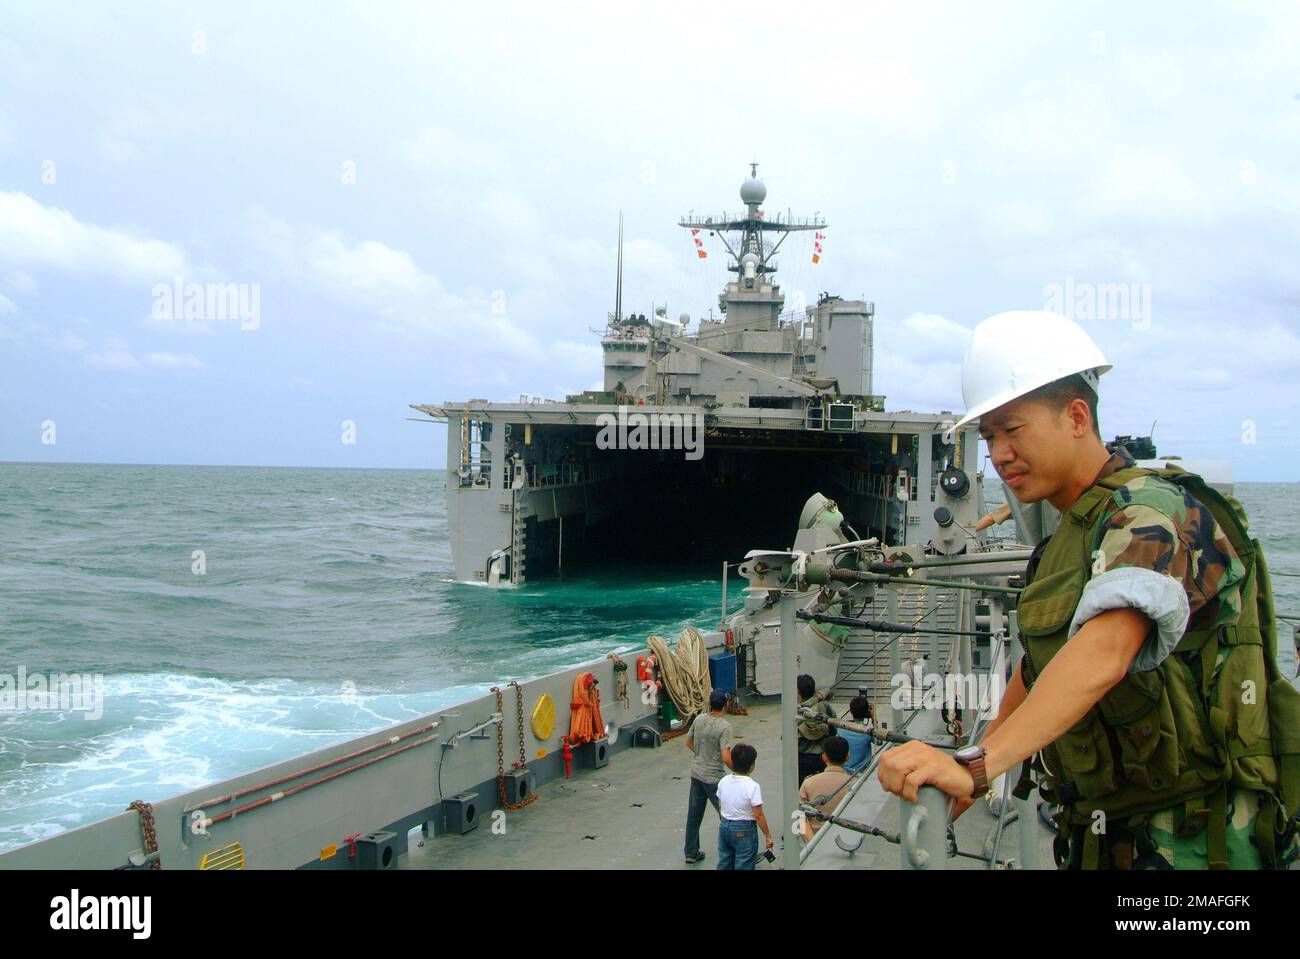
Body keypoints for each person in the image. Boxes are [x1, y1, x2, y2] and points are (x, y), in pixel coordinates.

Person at [877, 310, 1300, 870]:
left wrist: (981, 765)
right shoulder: (1067, 538)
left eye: (1013, 429)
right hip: (1110, 836)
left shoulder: (1150, 511)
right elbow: (1041, 669)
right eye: (989, 436)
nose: (1000, 454)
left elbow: (1105, 651)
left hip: (1199, 840)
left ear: (1077, 417)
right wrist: (974, 770)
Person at [683, 689, 733, 864]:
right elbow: (726, 757)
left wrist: (701, 756)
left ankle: (691, 852)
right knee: (728, 816)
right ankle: (739, 851)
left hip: (696, 774)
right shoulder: (724, 726)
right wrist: (739, 771)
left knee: (694, 815)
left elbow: (689, 742)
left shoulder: (699, 719)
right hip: (714, 779)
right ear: (726, 704)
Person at [716, 742, 773, 869]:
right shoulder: (752, 786)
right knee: (744, 864)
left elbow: (721, 806)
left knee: (724, 862)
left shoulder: (723, 781)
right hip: (744, 829)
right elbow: (758, 815)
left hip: (725, 826)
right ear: (752, 766)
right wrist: (767, 835)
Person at [798, 735, 853, 839]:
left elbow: (798, 820)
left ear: (824, 757)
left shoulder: (808, 783)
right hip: (846, 839)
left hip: (815, 840)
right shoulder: (855, 783)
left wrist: (812, 843)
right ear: (847, 757)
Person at [796, 674, 834, 785]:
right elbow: (833, 727)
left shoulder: (796, 712)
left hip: (802, 757)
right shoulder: (825, 707)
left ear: (798, 692)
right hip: (823, 757)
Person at [838, 695, 875, 773]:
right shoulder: (868, 732)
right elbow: (879, 741)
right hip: (862, 773)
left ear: (850, 711)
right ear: (867, 712)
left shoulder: (840, 729)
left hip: (844, 771)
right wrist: (874, 718)